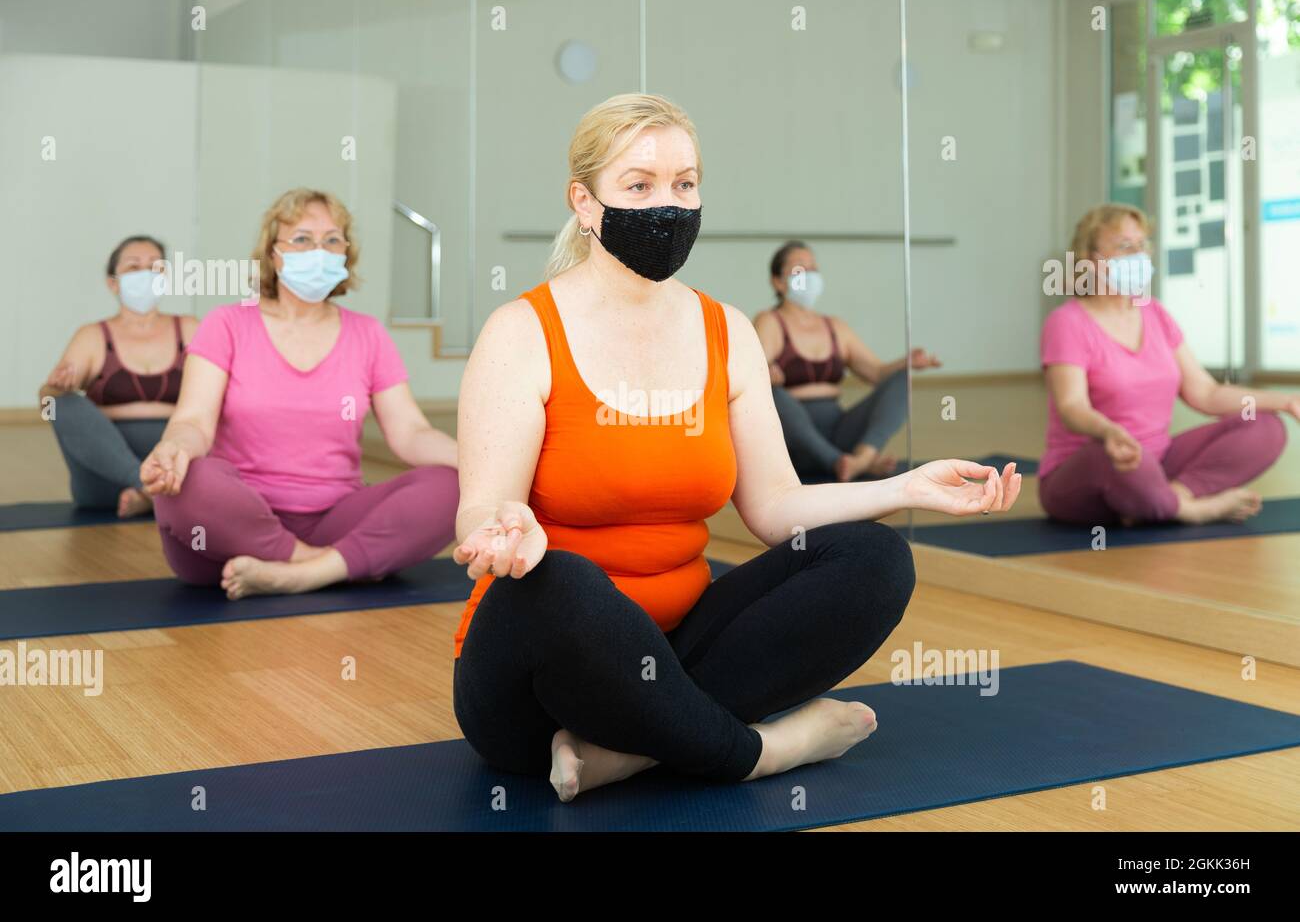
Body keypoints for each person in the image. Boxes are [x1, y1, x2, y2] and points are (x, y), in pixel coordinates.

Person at [451, 93, 1021, 803]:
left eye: (685, 184)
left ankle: (627, 755)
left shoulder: (727, 332)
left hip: (677, 653)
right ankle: (764, 751)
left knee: (874, 557)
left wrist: (907, 487)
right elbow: (480, 508)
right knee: (560, 580)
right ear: (585, 203)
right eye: (639, 185)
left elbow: (777, 505)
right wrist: (504, 533)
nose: (669, 204)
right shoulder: (521, 331)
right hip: (537, 685)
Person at [140, 188, 459, 598]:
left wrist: (474, 463)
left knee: (451, 484)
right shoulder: (227, 324)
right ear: (273, 254)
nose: (319, 251)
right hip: (231, 531)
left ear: (346, 253)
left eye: (332, 240)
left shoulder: (368, 334)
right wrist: (173, 448)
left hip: (334, 520)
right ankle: (324, 564)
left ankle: (300, 574)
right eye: (303, 239)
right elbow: (193, 423)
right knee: (187, 480)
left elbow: (411, 434)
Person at [1039, 203, 1296, 526]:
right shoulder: (1067, 322)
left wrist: (1287, 401)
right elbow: (1071, 406)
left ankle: (1166, 498)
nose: (1138, 255)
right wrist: (1108, 431)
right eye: (1124, 246)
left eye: (1143, 244)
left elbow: (1205, 392)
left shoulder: (1154, 312)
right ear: (1091, 259)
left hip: (1156, 463)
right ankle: (1195, 509)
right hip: (1090, 467)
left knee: (1265, 428)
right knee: (1116, 458)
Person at [754, 240, 940, 482]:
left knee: (901, 381)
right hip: (794, 441)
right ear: (777, 281)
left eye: (814, 268)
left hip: (839, 431)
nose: (809, 275)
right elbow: (752, 373)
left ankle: (861, 459)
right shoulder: (769, 321)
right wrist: (767, 374)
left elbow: (876, 373)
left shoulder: (835, 326)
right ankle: (839, 463)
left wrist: (907, 362)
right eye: (800, 268)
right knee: (773, 394)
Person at [39, 236, 198, 517]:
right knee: (61, 404)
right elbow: (48, 404)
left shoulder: (189, 329)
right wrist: (53, 388)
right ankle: (148, 486)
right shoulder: (91, 336)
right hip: (108, 476)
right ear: (113, 282)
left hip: (178, 463)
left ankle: (150, 493)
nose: (145, 274)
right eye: (134, 267)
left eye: (154, 267)